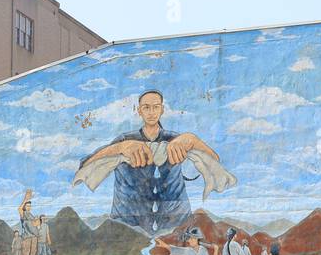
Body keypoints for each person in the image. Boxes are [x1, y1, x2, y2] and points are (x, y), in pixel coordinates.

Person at [78, 89, 220, 234]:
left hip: (176, 224)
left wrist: (193, 140)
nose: (151, 112)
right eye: (146, 107)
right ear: (138, 110)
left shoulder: (177, 139)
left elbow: (215, 161)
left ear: (162, 109)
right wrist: (119, 148)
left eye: (156, 107)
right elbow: (85, 166)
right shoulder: (124, 140)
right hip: (128, 227)